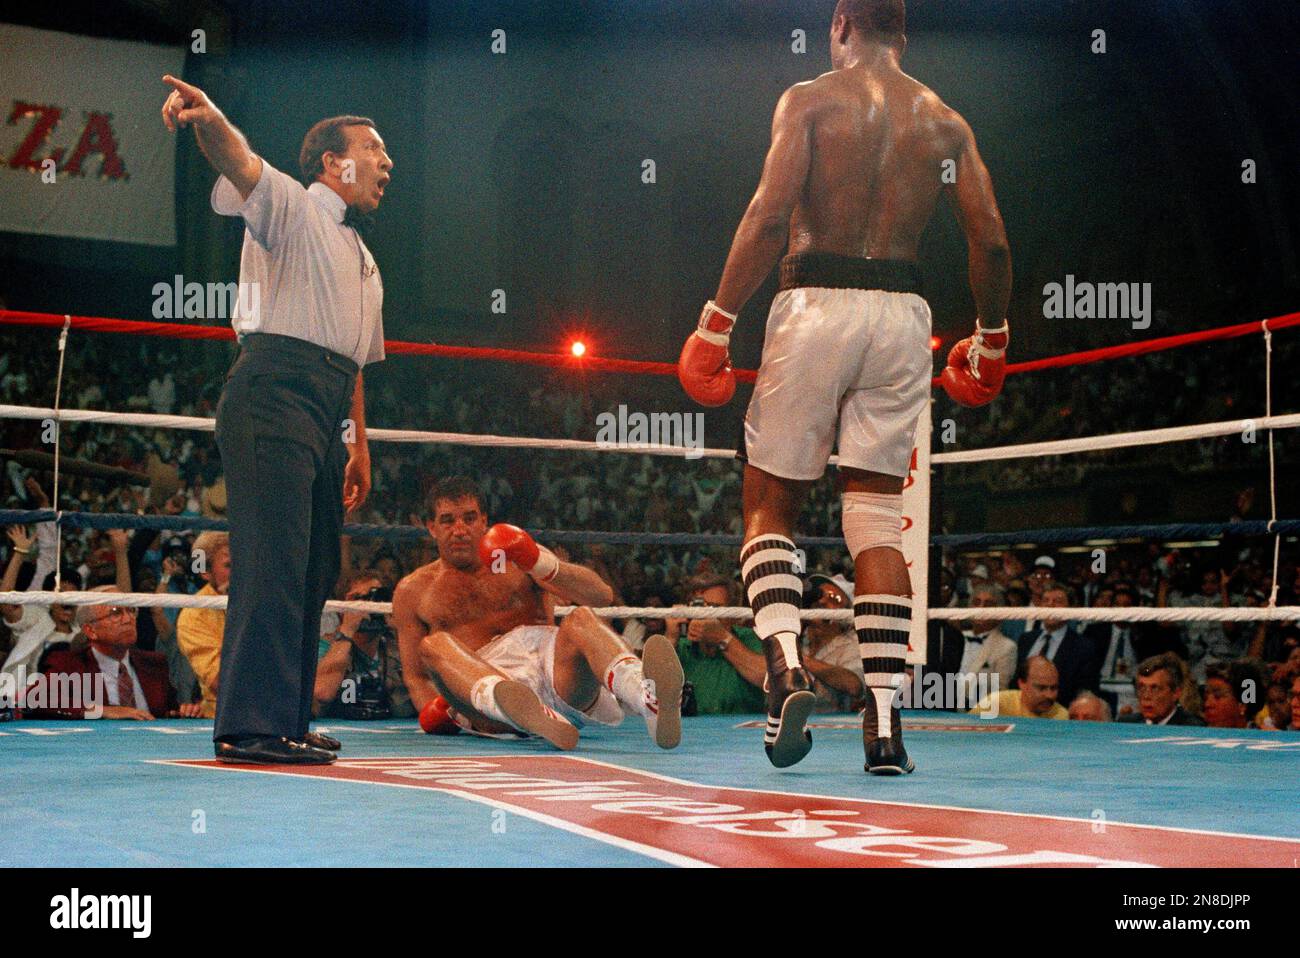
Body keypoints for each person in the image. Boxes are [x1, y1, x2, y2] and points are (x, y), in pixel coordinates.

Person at [677, 0, 1011, 773]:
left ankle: (787, 665)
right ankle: (886, 725)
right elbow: (989, 241)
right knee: (877, 517)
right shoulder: (946, 124)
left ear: (838, 27)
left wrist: (717, 321)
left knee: (770, 500)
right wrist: (992, 338)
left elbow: (766, 218)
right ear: (904, 35)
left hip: (814, 302)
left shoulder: (809, 100)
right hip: (903, 316)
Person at [161, 76, 391, 764]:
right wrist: (208, 116)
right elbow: (237, 158)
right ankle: (250, 725)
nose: (385, 164)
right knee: (272, 560)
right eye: (372, 150)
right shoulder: (289, 206)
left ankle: (285, 718)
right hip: (272, 391)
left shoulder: (364, 257)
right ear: (330, 161)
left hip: (323, 409)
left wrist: (358, 445)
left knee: (314, 565)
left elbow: (353, 361)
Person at [393, 477, 682, 749]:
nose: (460, 529)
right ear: (431, 527)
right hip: (485, 683)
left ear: (484, 521)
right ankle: (522, 711)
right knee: (434, 645)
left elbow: (601, 595)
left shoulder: (517, 555)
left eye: (469, 518)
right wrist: (435, 710)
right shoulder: (413, 590)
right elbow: (416, 678)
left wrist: (538, 560)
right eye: (447, 521)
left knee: (581, 618)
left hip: (555, 672)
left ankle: (647, 698)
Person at [25, 586, 204, 720]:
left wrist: (185, 712)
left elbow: (167, 712)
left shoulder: (154, 663)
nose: (128, 619)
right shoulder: (70, 664)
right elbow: (36, 698)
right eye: (116, 613)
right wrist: (102, 710)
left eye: (131, 610)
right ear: (90, 630)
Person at [665, 574, 767, 715]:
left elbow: (767, 678)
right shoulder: (680, 647)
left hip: (742, 733)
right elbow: (650, 694)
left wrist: (722, 638)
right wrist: (670, 638)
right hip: (693, 733)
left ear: (732, 612)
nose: (707, 614)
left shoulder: (749, 638)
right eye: (699, 606)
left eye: (715, 608)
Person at [1118, 653, 1205, 726]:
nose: (1146, 696)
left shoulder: (1192, 728)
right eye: (1142, 688)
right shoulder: (1126, 724)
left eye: (1155, 688)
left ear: (1176, 693)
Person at [971, 656, 1066, 720]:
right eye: (1041, 688)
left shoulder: (1062, 717)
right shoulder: (996, 703)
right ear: (1021, 684)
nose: (1049, 695)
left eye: (1053, 688)